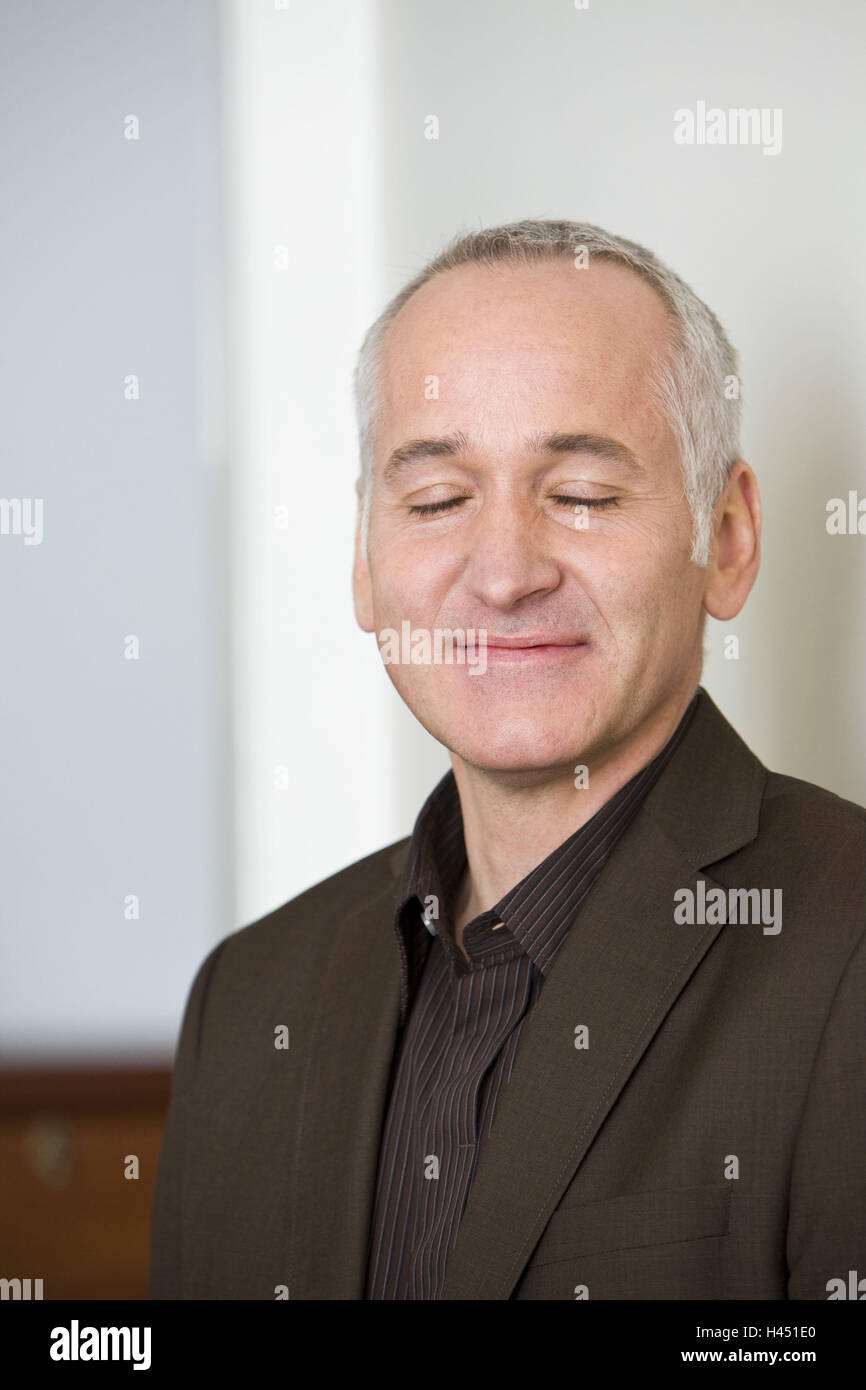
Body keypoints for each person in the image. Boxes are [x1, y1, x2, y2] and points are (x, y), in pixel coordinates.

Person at [150, 220, 866, 1300]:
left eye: (579, 493)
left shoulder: (842, 948)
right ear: (363, 555)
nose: (501, 572)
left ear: (723, 537)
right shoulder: (247, 1001)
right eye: (436, 500)